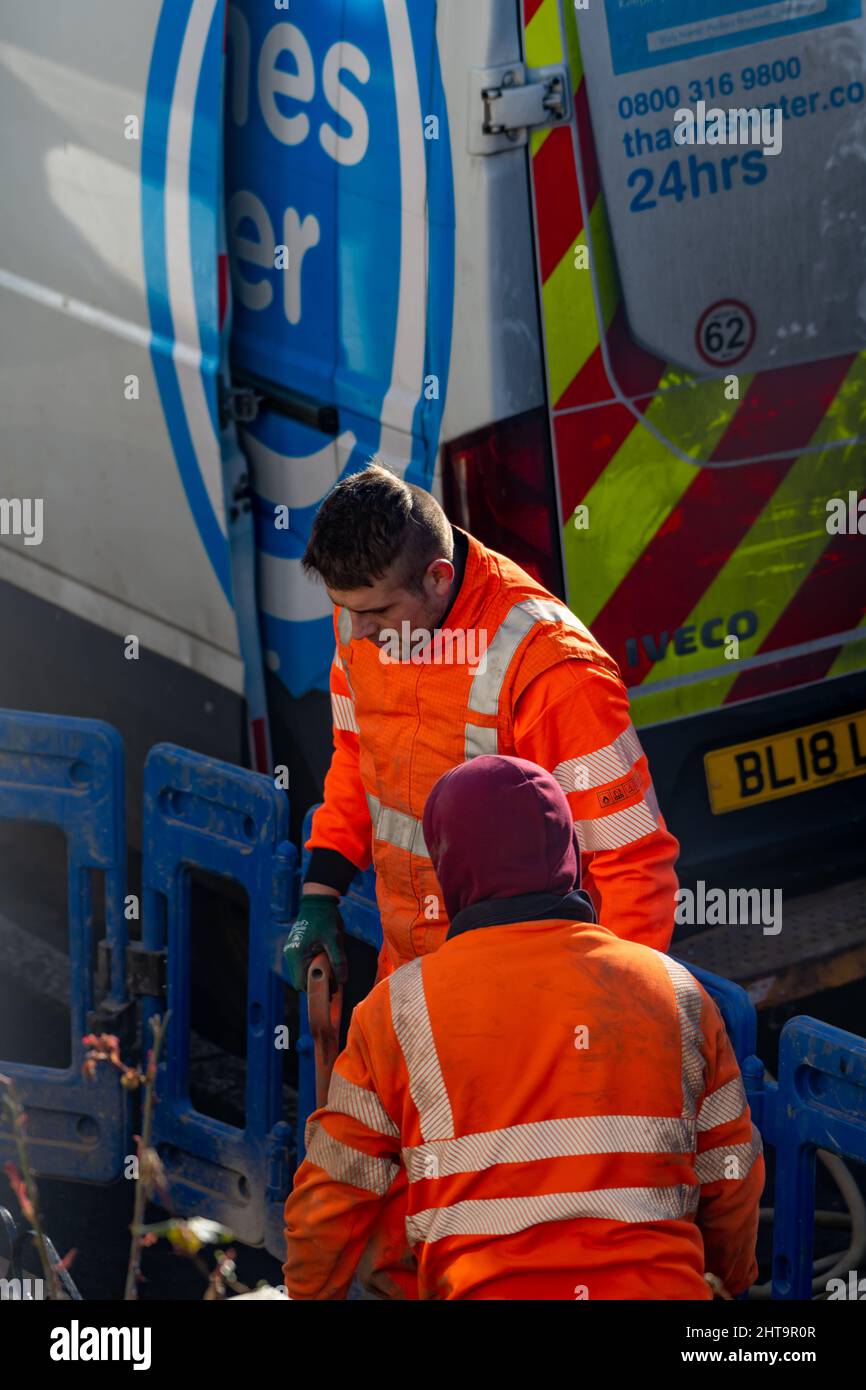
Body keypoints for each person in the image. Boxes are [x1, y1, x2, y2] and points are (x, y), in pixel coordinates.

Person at [282, 755, 764, 1300]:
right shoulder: (674, 991)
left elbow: (331, 1196)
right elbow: (731, 1173)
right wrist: (730, 1280)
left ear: (449, 866)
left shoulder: (397, 1009)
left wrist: (308, 1294)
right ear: (572, 856)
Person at [284, 463, 679, 992]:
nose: (357, 632)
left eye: (376, 613)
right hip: (411, 978)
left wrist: (612, 1012)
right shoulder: (367, 615)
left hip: (524, 995)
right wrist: (322, 889)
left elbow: (632, 862)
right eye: (345, 610)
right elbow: (359, 757)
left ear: (438, 577)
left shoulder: (552, 671)